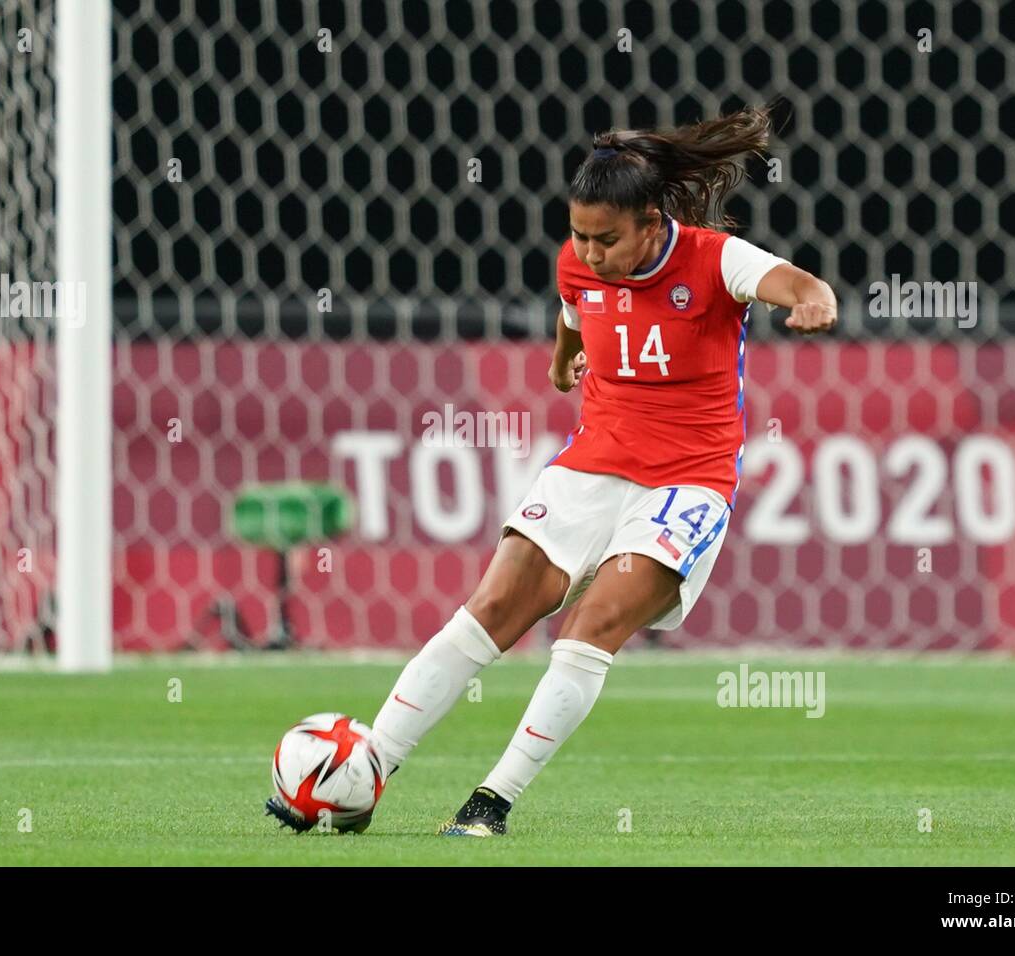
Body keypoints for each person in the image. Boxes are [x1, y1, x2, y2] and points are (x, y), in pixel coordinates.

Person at [286, 107, 837, 837]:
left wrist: (814, 303)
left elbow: (797, 283)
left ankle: (491, 802)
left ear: (649, 221)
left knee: (588, 627)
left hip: (686, 484)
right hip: (590, 467)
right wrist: (559, 365)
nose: (591, 250)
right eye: (579, 234)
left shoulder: (715, 259)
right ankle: (365, 771)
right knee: (492, 610)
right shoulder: (577, 261)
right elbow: (575, 310)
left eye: (607, 237)